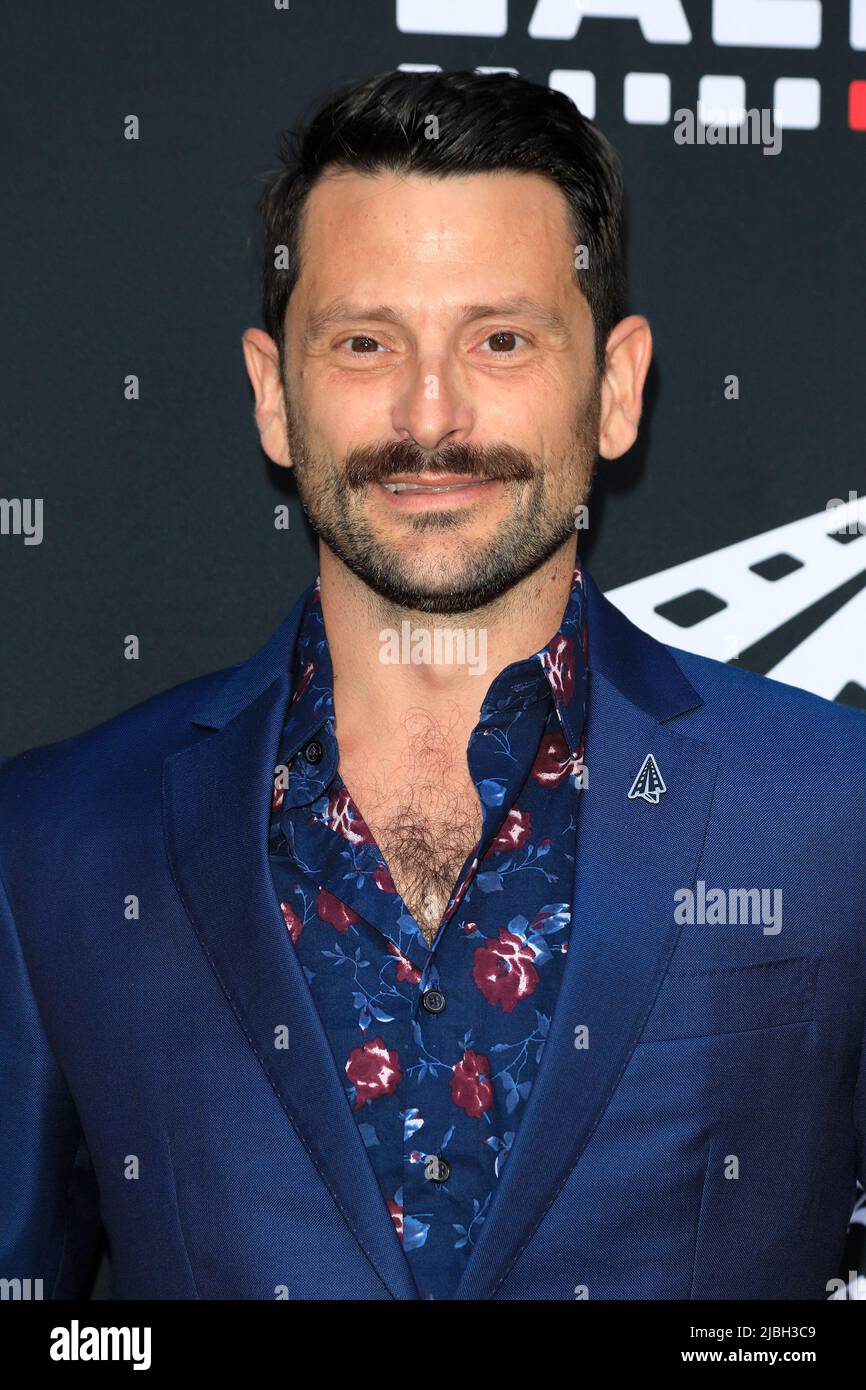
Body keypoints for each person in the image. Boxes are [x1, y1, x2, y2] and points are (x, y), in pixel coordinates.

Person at [1, 68, 864, 1302]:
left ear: (615, 388)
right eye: (364, 342)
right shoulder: (55, 845)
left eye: (499, 339)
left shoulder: (835, 816)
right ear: (271, 393)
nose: (430, 414)